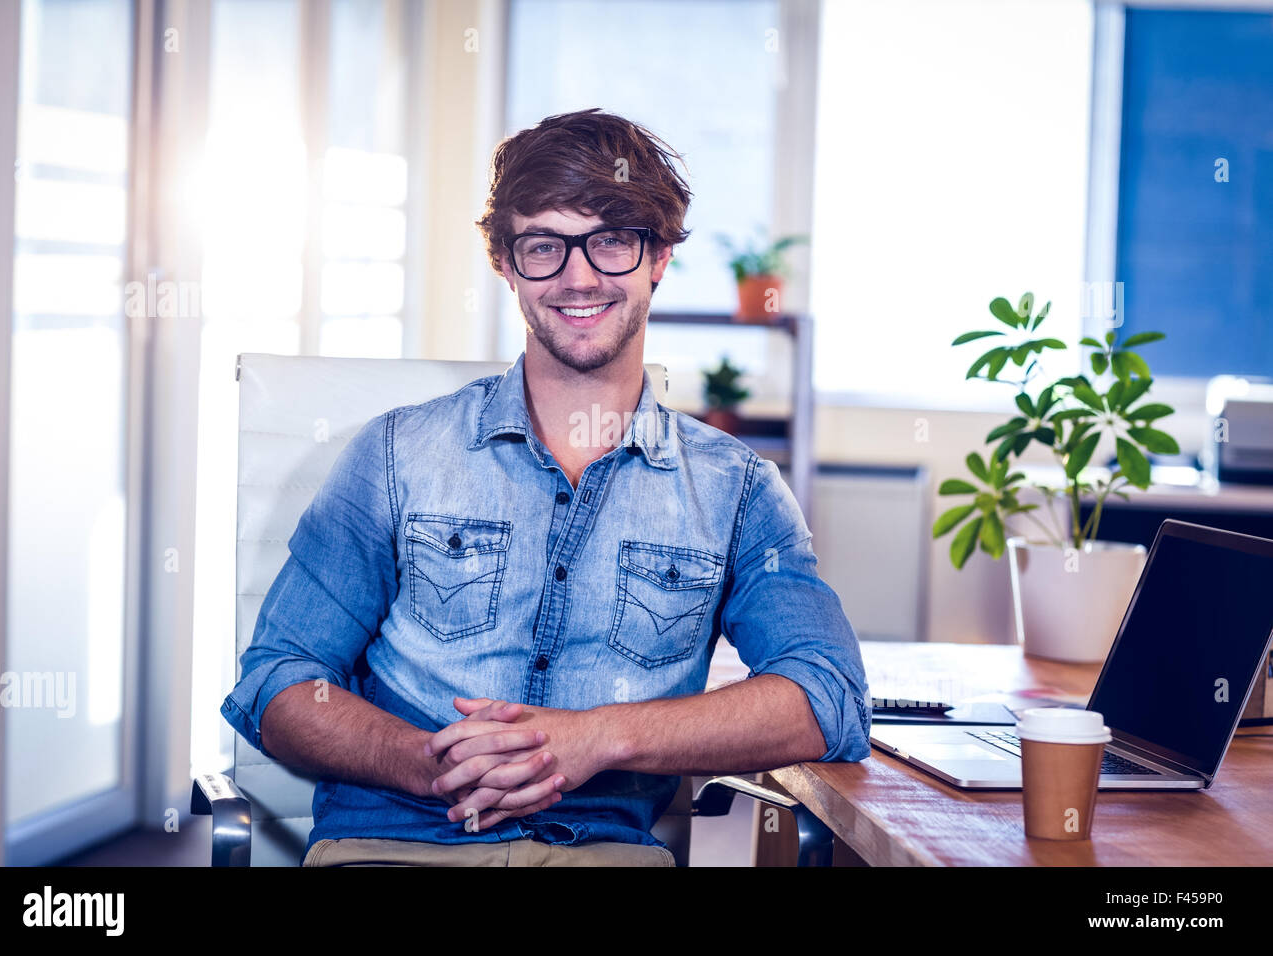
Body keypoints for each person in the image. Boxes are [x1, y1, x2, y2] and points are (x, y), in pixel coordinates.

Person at [220, 107, 870, 867]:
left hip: (602, 852)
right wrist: (433, 761)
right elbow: (278, 680)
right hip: (394, 844)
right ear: (505, 263)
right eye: (543, 247)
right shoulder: (395, 455)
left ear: (658, 258)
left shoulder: (739, 493)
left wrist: (598, 736)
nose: (580, 276)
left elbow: (827, 695)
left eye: (613, 241)